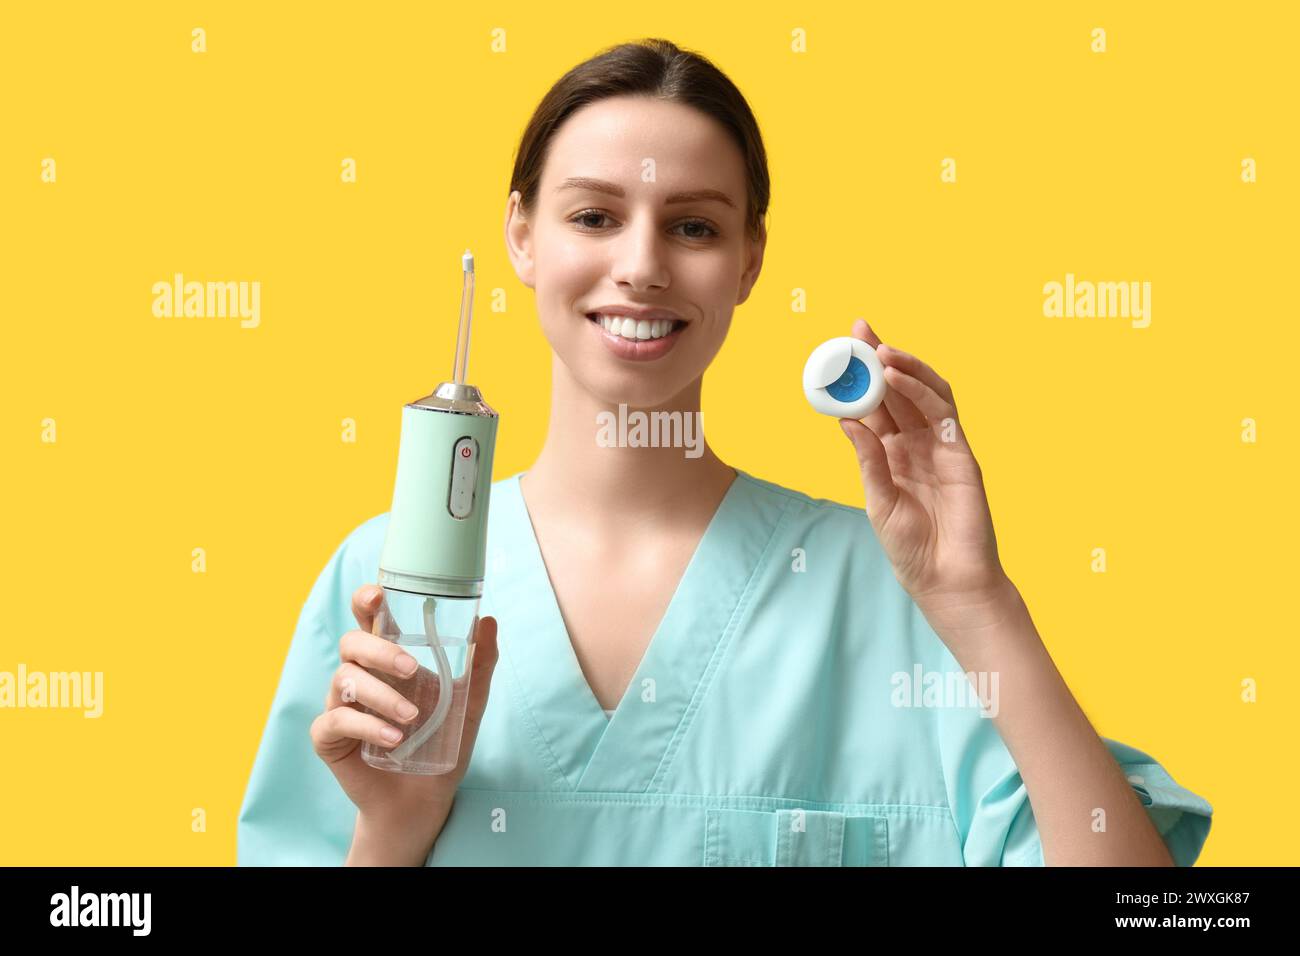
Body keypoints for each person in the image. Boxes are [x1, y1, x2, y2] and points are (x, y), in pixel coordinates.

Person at [237, 38, 1212, 866]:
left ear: (747, 259)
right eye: (592, 215)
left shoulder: (892, 595)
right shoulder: (383, 587)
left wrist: (979, 602)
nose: (642, 264)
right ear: (520, 235)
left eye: (693, 225)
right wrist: (393, 828)